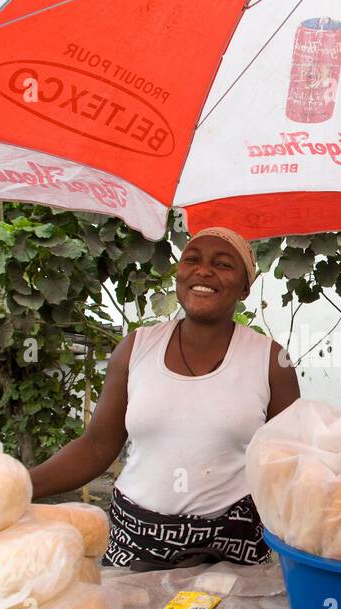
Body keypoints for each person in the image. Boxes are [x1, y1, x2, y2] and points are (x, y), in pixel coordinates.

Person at [28, 226, 300, 570]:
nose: (204, 270)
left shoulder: (272, 361)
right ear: (178, 275)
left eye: (224, 264)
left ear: (245, 287)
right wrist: (19, 486)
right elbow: (96, 446)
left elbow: (288, 467)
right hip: (135, 542)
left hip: (231, 548)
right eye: (192, 260)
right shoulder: (136, 348)